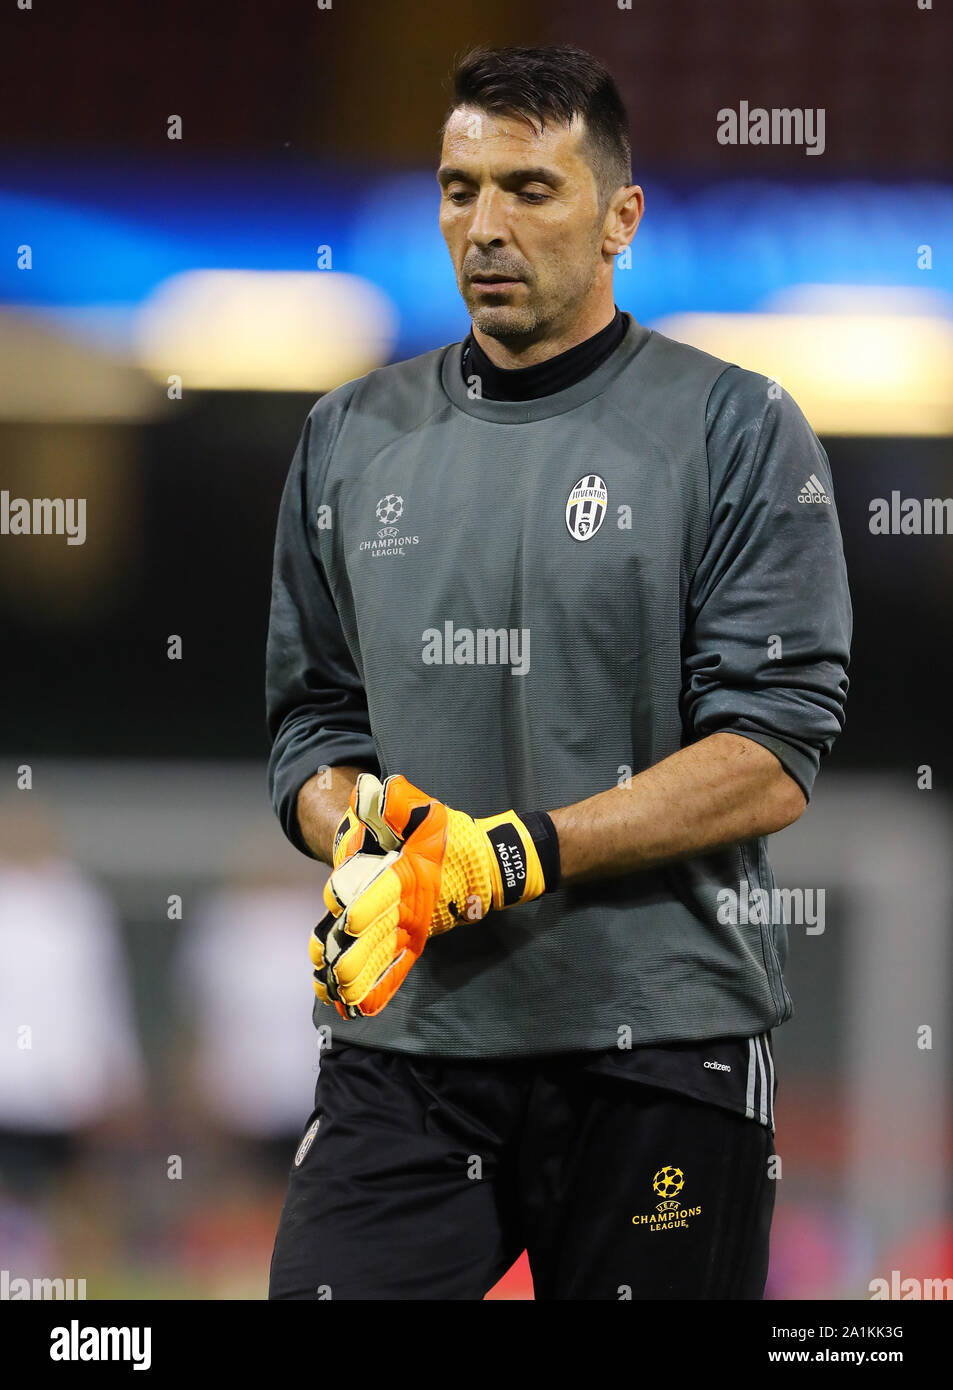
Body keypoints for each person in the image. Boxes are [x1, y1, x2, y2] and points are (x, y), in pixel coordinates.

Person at [264, 42, 852, 1300]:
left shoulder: (735, 428)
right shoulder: (345, 438)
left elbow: (769, 753)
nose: (483, 226)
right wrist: (364, 829)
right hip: (410, 1048)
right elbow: (311, 726)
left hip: (661, 1048)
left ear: (619, 217)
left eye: (528, 189)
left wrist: (511, 853)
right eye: (456, 188)